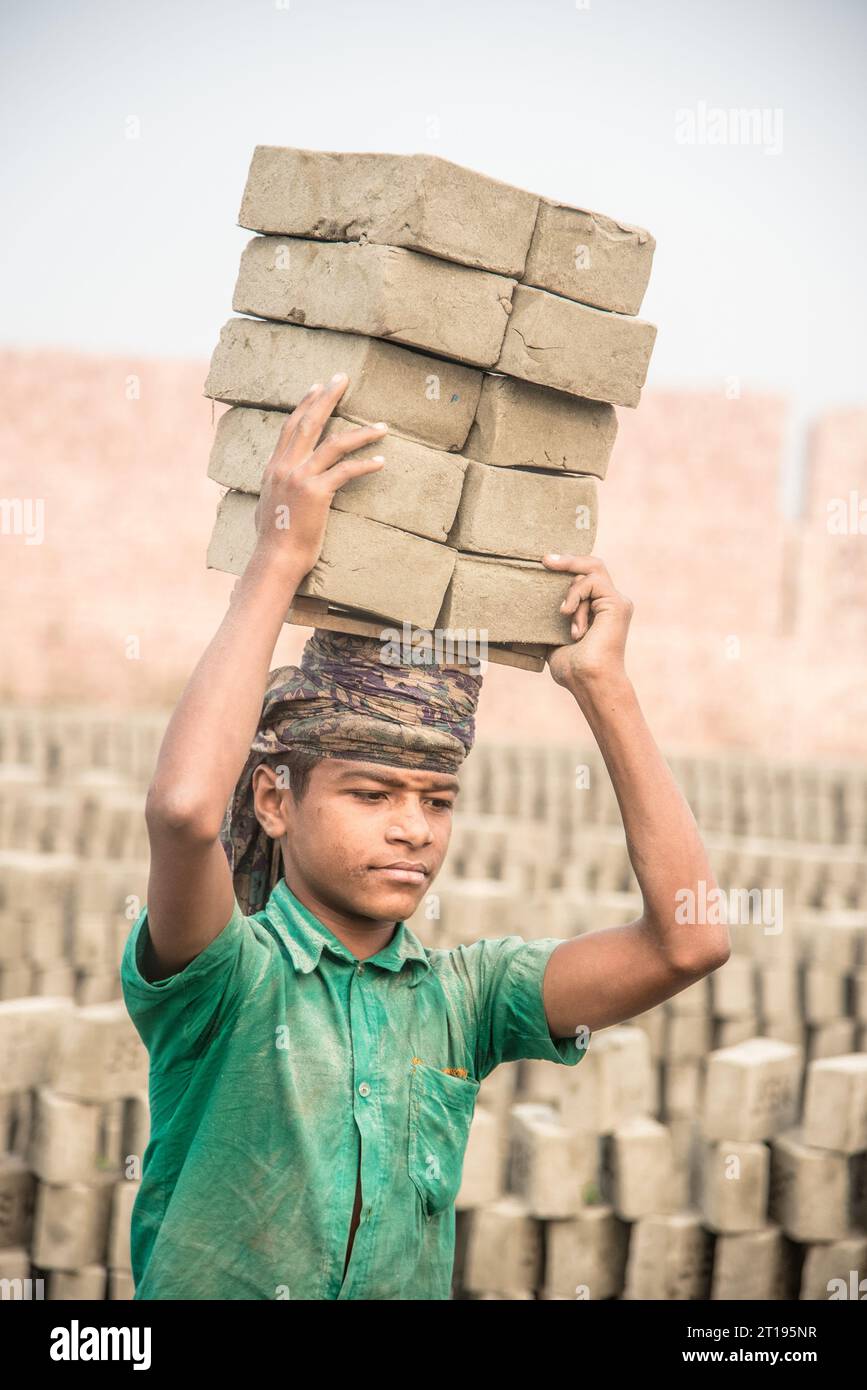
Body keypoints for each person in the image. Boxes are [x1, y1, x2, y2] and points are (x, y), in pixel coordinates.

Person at [120, 371, 730, 1300]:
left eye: (436, 801)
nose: (412, 830)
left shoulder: (465, 1000)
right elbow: (184, 814)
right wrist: (278, 561)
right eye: (372, 795)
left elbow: (688, 940)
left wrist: (602, 686)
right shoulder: (222, 980)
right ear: (275, 800)